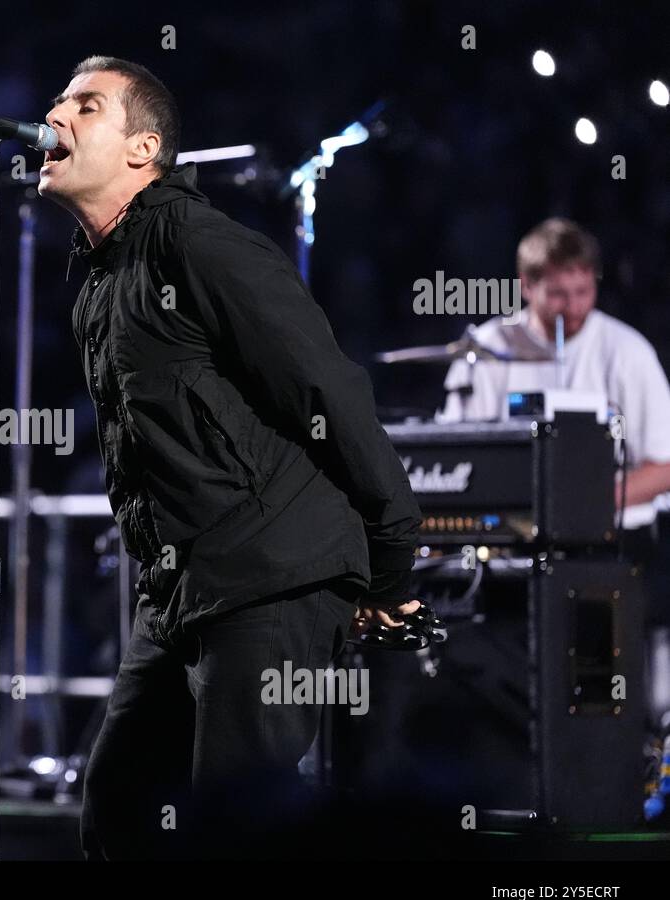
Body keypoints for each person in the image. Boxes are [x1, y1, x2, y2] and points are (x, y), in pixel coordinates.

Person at [38, 56, 421, 858]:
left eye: (86, 104)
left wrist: (390, 557)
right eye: (60, 100)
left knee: (235, 825)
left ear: (143, 150)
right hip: (182, 590)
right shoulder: (99, 286)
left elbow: (327, 389)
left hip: (269, 576)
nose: (56, 115)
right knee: (119, 809)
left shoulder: (203, 246)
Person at [438, 217, 670, 530]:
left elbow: (664, 466)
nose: (573, 307)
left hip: (614, 537)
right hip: (509, 532)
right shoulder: (488, 347)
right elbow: (459, 453)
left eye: (583, 291)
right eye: (558, 294)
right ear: (526, 286)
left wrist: (584, 501)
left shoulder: (628, 351)